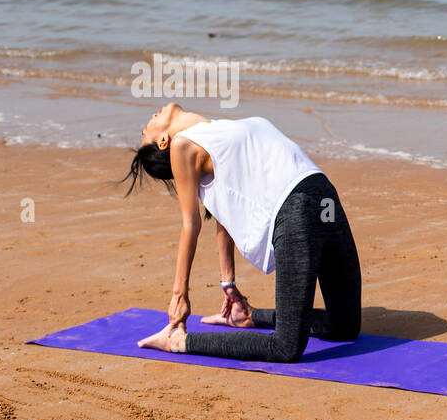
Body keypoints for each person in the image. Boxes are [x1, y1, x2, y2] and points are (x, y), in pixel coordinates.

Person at [122, 102, 361, 362]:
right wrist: (179, 299)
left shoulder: (220, 129)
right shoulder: (183, 144)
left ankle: (248, 317)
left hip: (326, 201)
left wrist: (229, 285)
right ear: (163, 142)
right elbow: (190, 224)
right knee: (286, 347)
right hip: (295, 209)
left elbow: (223, 216)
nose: (152, 116)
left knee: (345, 326)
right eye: (146, 130)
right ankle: (179, 341)